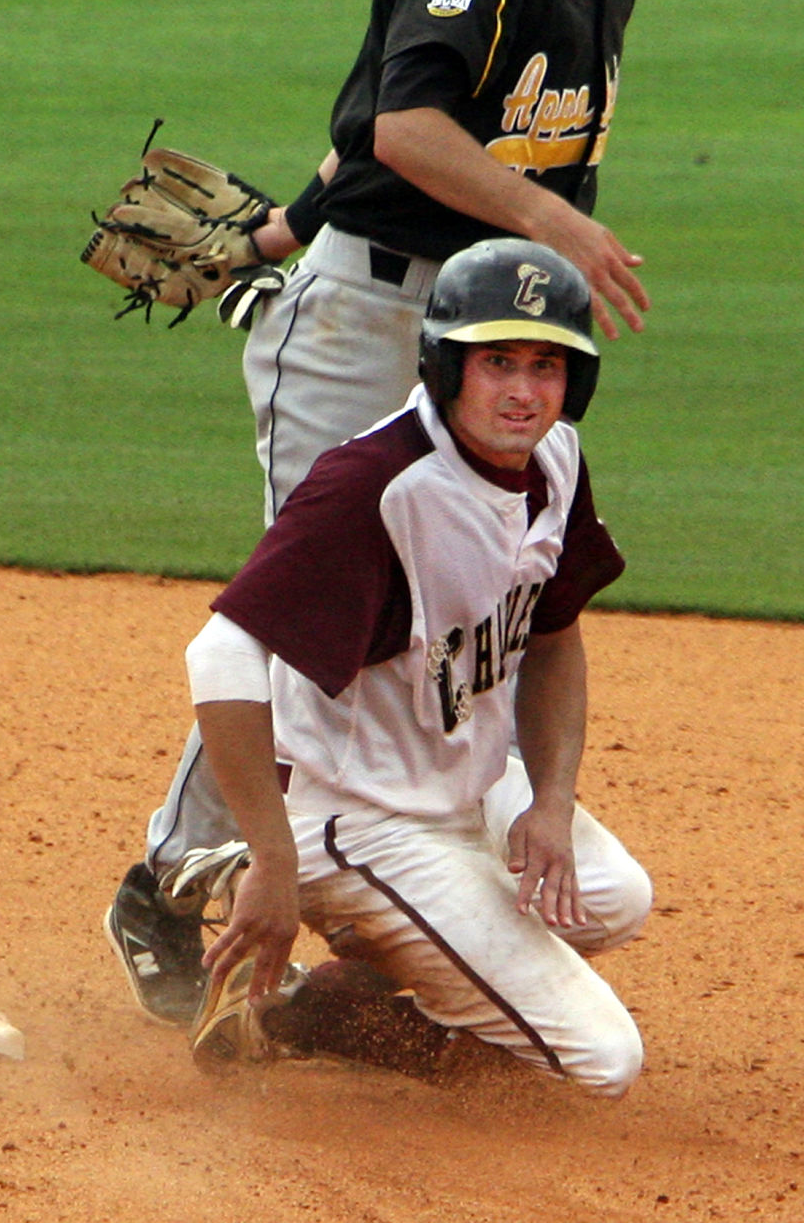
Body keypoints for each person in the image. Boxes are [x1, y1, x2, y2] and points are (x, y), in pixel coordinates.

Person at [104, 0, 664, 1024]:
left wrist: (269, 233)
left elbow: (369, 122)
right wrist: (554, 226)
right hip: (364, 321)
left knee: (406, 600)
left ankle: (370, 914)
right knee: (305, 613)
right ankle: (167, 885)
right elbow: (405, 129)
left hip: (449, 338)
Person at [182, 239, 650, 1091]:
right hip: (357, 820)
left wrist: (550, 800)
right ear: (443, 365)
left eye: (546, 366)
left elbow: (552, 634)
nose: (521, 391)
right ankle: (346, 1012)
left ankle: (342, 992)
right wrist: (273, 858)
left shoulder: (554, 459)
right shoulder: (376, 487)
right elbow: (219, 651)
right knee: (600, 1063)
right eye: (496, 361)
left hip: (465, 783)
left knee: (616, 897)